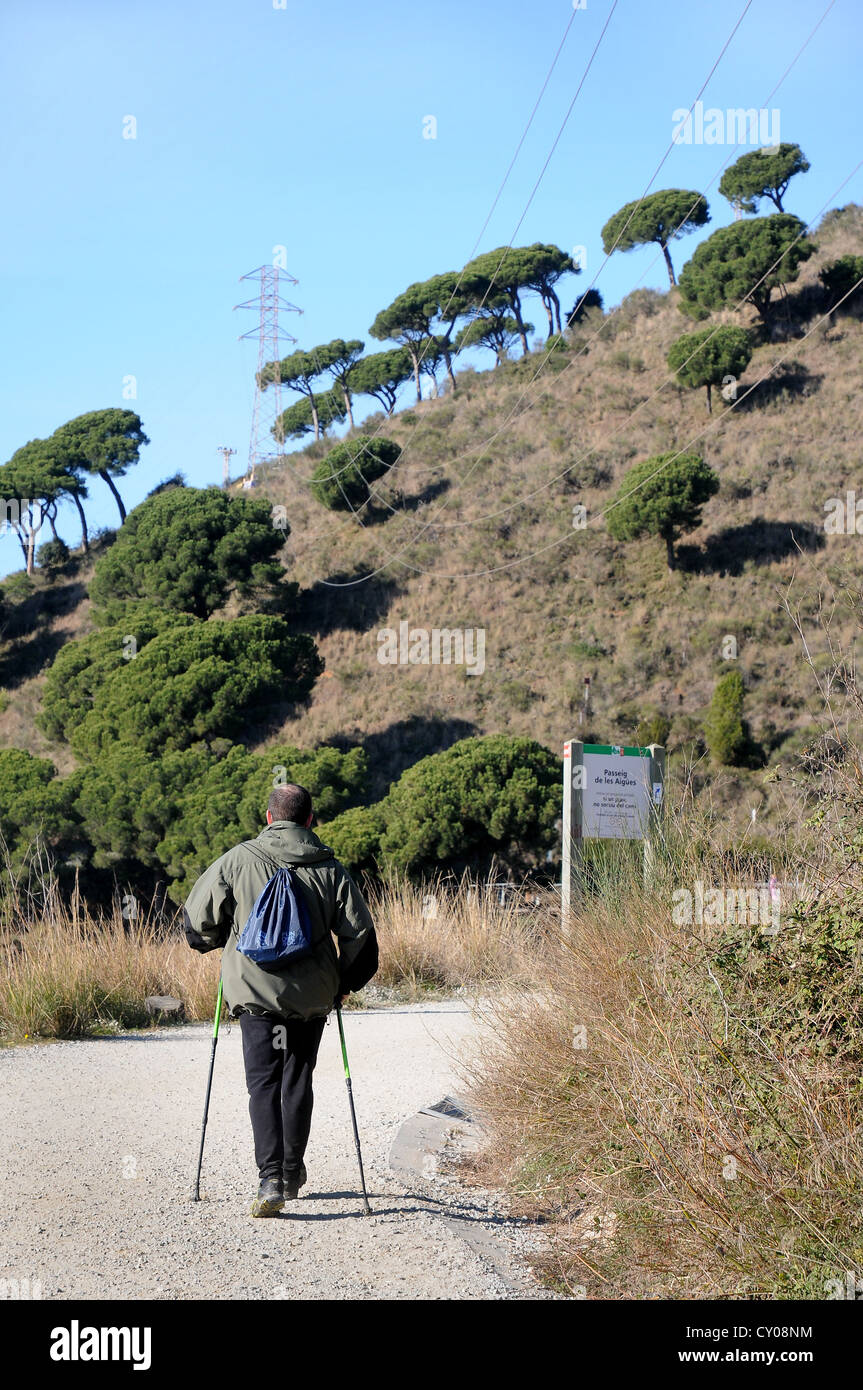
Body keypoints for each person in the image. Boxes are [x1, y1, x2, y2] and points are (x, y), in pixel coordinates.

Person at [183, 782, 378, 1217]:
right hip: (310, 999)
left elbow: (197, 926)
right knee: (297, 1079)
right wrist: (345, 982)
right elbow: (360, 939)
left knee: (264, 1083)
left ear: (270, 818)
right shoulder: (330, 868)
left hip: (255, 997)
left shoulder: (237, 860)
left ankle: (269, 1177)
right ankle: (291, 1172)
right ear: (310, 820)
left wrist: (222, 941)